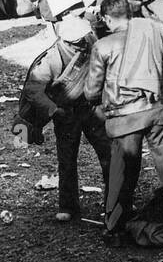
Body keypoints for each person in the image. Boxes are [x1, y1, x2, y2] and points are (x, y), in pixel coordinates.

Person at [83, 0, 163, 242]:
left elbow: (91, 91)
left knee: (123, 173)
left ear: (107, 19)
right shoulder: (155, 33)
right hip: (159, 111)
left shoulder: (103, 46)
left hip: (124, 118)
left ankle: (114, 228)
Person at [18, 15, 112, 221]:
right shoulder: (51, 59)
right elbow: (33, 91)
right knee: (67, 159)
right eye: (78, 41)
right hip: (66, 112)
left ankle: (114, 202)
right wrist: (53, 110)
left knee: (108, 152)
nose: (82, 44)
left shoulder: (90, 41)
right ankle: (68, 206)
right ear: (68, 41)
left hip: (90, 107)